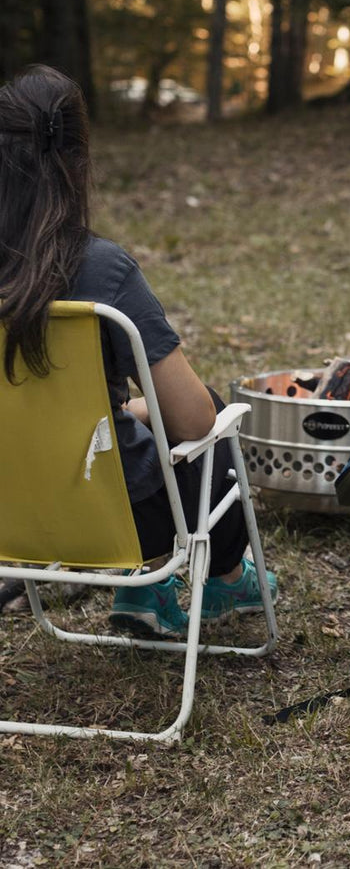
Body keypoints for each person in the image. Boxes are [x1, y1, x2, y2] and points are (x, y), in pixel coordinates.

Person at [0, 65, 276, 637]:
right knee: (211, 415)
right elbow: (195, 420)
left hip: (12, 516)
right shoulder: (100, 270)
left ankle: (147, 595)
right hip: (117, 520)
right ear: (78, 160)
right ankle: (226, 580)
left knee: (132, 421)